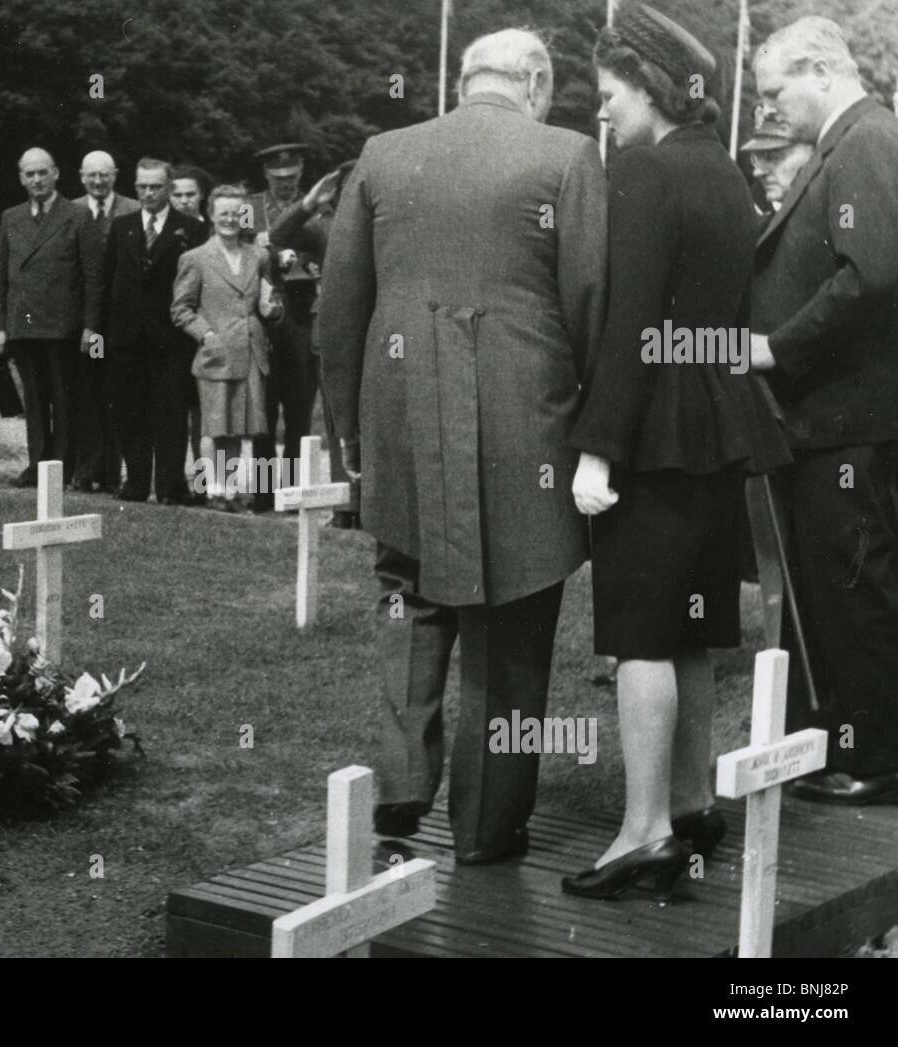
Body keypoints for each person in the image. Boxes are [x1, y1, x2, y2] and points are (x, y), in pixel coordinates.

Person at [319, 29, 608, 864]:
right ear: (537, 83)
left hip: (403, 414)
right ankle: (486, 827)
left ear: (464, 79)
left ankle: (403, 784)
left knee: (408, 598)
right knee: (512, 624)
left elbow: (339, 312)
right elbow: (589, 305)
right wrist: (596, 434)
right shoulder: (567, 155)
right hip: (529, 427)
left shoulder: (382, 152)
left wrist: (352, 431)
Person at [563, 3, 792, 900]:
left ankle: (643, 831)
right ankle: (692, 801)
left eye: (610, 93)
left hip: (654, 432)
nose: (603, 112)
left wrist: (596, 451)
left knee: (639, 632)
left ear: (650, 87)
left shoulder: (644, 174)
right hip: (718, 420)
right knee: (694, 625)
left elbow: (630, 328)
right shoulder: (725, 171)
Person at [749, 16, 898, 805]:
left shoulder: (865, 141)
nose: (772, 112)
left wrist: (779, 346)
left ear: (819, 69)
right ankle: (849, 741)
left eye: (776, 93)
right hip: (840, 418)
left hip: (851, 419)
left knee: (856, 587)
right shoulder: (851, 143)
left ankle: (875, 758)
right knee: (841, 589)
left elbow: (871, 272)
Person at [0, 147, 102, 488]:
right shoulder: (11, 217)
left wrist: (90, 327)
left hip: (63, 326)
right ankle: (38, 463)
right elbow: (0, 275)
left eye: (42, 172)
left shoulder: (78, 215)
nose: (36, 180)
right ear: (21, 178)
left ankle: (65, 465)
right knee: (35, 402)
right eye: (29, 174)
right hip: (23, 326)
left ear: (56, 173)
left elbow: (92, 276)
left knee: (65, 399)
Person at [172, 185, 281, 512]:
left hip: (250, 352)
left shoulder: (258, 256)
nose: (230, 220)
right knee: (213, 427)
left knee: (237, 427)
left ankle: (230, 492)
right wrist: (206, 336)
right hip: (216, 354)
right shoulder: (195, 259)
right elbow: (180, 309)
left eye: (237, 213)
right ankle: (212, 490)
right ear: (211, 215)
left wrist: (273, 310)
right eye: (224, 214)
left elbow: (267, 302)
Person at [101, 158, 204, 504]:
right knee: (131, 412)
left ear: (169, 187)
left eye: (155, 187)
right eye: (142, 186)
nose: (148, 193)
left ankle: (170, 486)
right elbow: (107, 280)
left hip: (171, 338)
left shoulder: (189, 229)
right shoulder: (122, 226)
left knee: (171, 414)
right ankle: (136, 482)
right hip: (127, 337)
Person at [271, 162, 358, 528]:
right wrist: (308, 203)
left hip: (380, 332)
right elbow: (277, 235)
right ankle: (346, 504)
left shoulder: (392, 223)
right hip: (334, 332)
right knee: (338, 422)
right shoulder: (324, 226)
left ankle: (371, 503)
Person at [248, 143, 319, 511]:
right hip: (259, 322)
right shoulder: (249, 207)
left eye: (291, 177)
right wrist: (266, 252)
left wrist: (300, 260)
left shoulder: (316, 207)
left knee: (298, 409)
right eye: (278, 178)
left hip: (302, 319)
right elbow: (237, 248)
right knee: (262, 411)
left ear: (301, 172)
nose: (285, 185)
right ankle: (262, 492)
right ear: (266, 176)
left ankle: (290, 491)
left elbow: (328, 254)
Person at [71, 149, 137, 492]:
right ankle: (88, 467)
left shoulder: (133, 210)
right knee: (89, 391)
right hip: (87, 325)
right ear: (82, 177)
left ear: (115, 175)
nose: (98, 181)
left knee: (117, 392)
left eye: (104, 175)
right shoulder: (71, 210)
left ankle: (113, 471)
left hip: (120, 321)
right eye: (91, 175)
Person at [171, 164, 213, 462]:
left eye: (190, 194)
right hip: (174, 329)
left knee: (206, 410)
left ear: (201, 196)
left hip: (208, 328)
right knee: (175, 407)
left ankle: (205, 476)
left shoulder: (214, 230)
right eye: (178, 194)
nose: (184, 200)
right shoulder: (165, 229)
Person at [740, 110, 814, 215]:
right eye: (757, 159)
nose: (757, 172)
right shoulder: (751, 215)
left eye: (774, 157)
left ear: (810, 154)